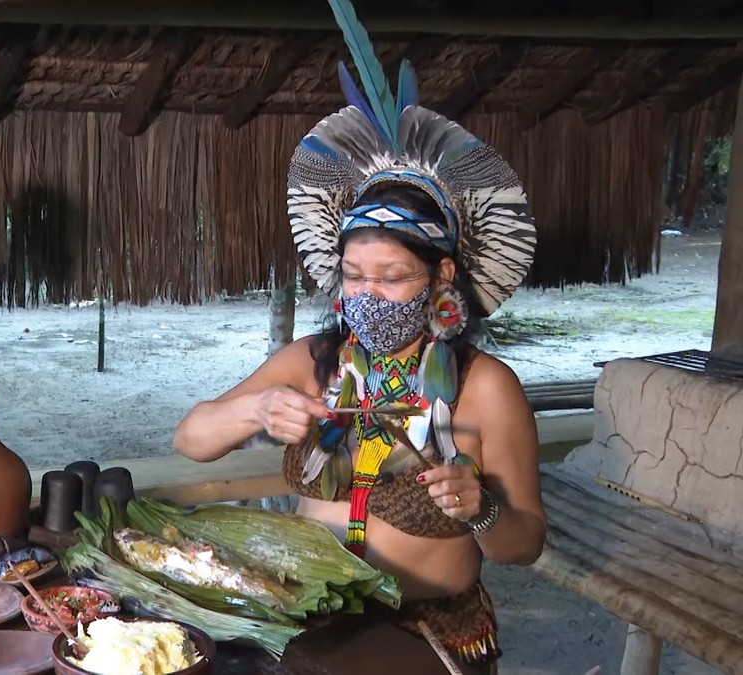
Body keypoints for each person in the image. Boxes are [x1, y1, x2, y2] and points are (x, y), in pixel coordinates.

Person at [173, 4, 545, 672]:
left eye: (393, 276)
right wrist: (255, 411)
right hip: (309, 618)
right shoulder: (313, 364)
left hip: (424, 638)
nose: (366, 295)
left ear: (443, 276)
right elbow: (191, 438)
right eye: (352, 275)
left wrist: (482, 511)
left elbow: (525, 543)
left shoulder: (485, 389)